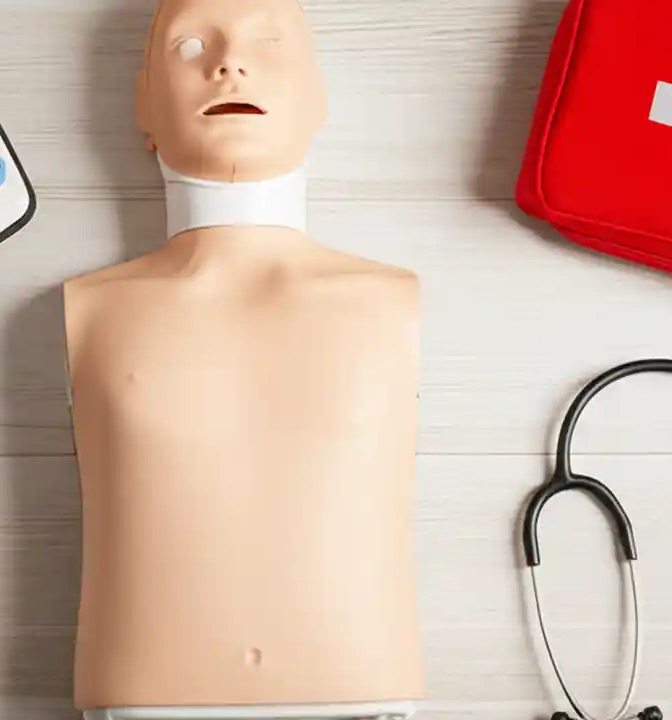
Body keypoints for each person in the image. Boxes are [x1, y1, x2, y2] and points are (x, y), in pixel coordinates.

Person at [64, 0, 425, 715]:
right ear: (143, 99)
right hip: (141, 695)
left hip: (364, 691)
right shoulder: (92, 307)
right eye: (191, 44)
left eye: (267, 41)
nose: (228, 64)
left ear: (318, 95)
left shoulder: (390, 299)